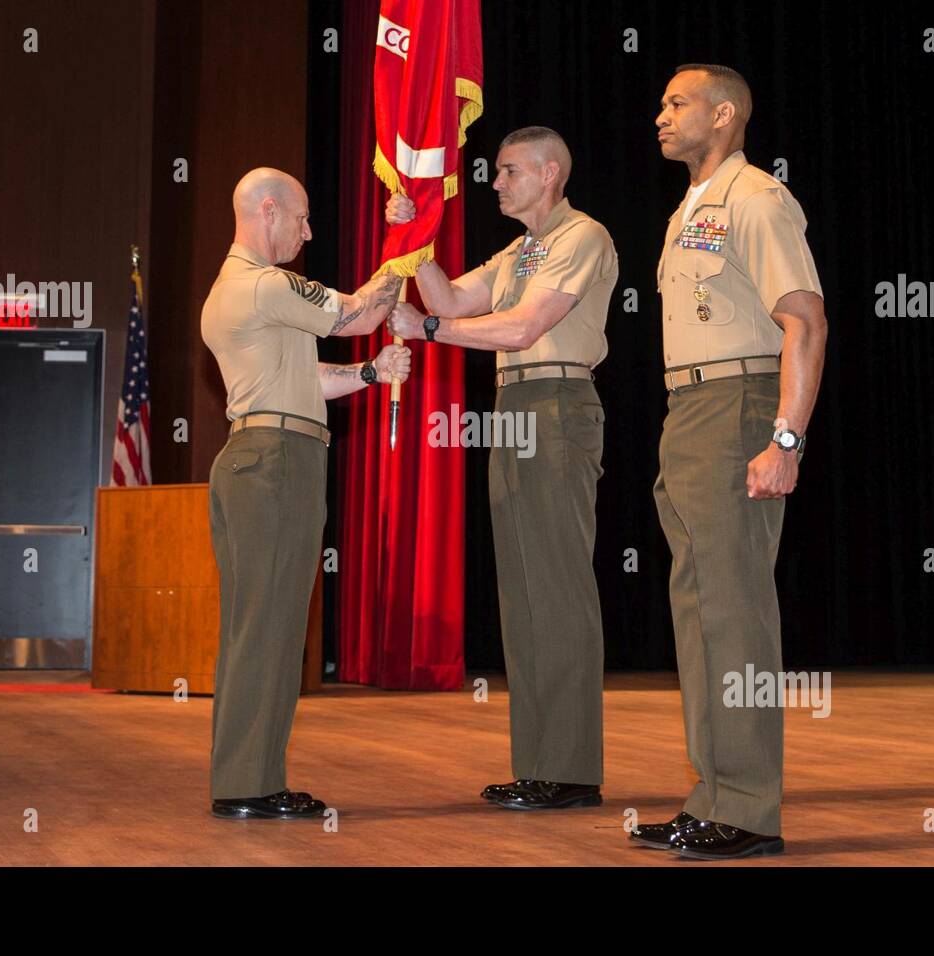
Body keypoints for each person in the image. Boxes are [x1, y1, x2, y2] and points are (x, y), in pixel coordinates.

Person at [387, 127, 618, 810]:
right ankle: (540, 761)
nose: (496, 182)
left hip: (556, 401)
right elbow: (451, 301)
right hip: (514, 405)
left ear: (550, 173)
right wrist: (417, 241)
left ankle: (572, 767)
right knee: (522, 592)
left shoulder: (582, 237)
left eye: (510, 171)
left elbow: (519, 328)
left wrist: (428, 332)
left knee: (559, 586)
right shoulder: (522, 249)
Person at [632, 65, 827, 859]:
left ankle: (747, 809)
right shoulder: (691, 209)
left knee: (736, 613)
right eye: (662, 102)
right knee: (700, 615)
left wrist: (786, 438)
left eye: (676, 103)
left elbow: (806, 322)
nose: (660, 115)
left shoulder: (756, 199)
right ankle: (712, 795)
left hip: (738, 406)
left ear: (724, 114)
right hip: (690, 410)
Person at [201, 167, 407, 819]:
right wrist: (405, 244)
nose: (308, 230)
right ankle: (248, 785)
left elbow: (309, 377)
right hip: (277, 461)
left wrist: (370, 373)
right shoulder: (265, 285)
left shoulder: (243, 294)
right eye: (302, 217)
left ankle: (250, 776)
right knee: (270, 628)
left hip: (264, 454)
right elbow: (360, 311)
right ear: (269, 211)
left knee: (265, 627)